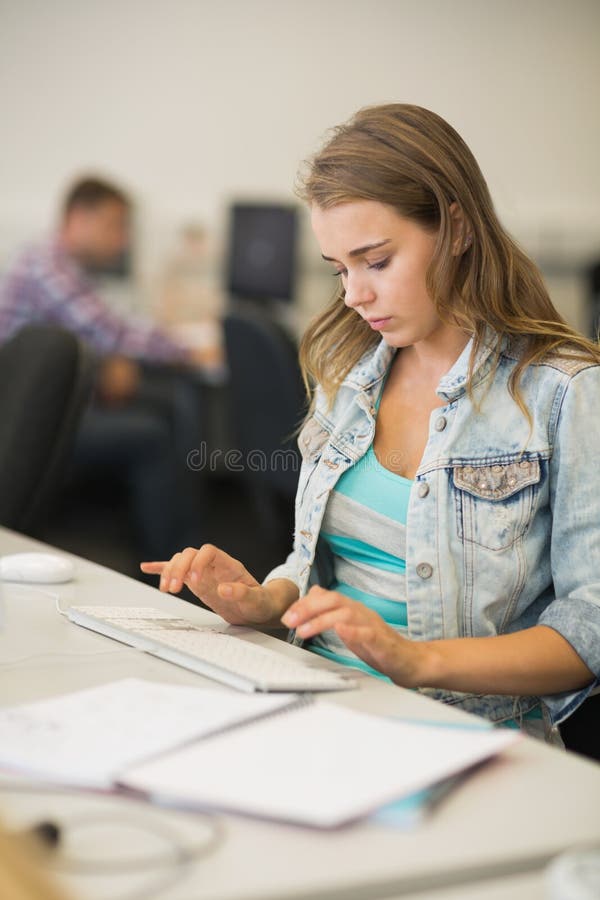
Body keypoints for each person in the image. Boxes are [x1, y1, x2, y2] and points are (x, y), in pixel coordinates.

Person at [141, 104, 600, 742]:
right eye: (340, 269)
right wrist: (265, 602)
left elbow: (591, 630)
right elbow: (313, 560)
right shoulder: (348, 372)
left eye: (376, 261)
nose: (354, 294)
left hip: (460, 735)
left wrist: (417, 660)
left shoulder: (565, 391)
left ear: (458, 228)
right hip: (315, 698)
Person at [0, 177, 212, 559]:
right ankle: (168, 561)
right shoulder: (46, 269)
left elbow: (99, 335)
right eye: (115, 226)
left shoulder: (59, 264)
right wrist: (186, 351)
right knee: (154, 436)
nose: (123, 240)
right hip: (23, 424)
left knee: (171, 403)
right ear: (78, 218)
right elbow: (110, 332)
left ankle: (187, 549)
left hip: (45, 408)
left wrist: (109, 362)